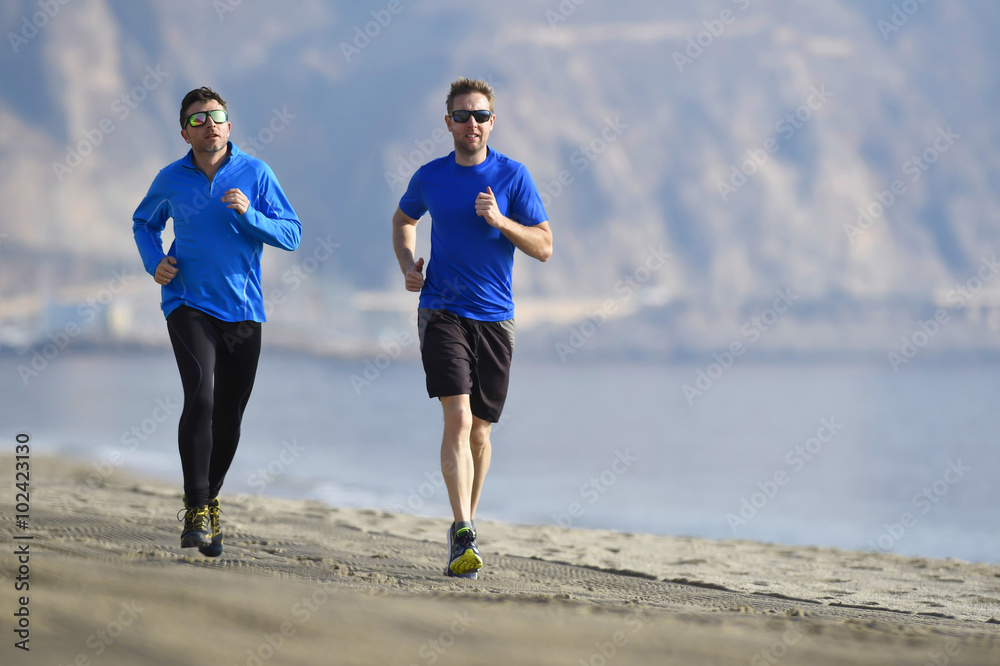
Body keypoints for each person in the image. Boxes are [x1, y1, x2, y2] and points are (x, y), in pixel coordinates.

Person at [392, 77, 553, 578]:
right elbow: (402, 219)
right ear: (448, 123)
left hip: (495, 318)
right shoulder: (431, 176)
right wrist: (407, 264)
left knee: (481, 432)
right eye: (462, 115)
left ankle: (467, 527)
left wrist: (502, 221)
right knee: (458, 419)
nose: (472, 123)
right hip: (441, 309)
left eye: (480, 115)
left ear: (492, 122)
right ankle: (462, 529)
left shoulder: (513, 176)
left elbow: (544, 246)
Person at [132, 87, 301, 557]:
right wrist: (154, 263)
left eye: (217, 116)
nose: (209, 124)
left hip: (244, 312)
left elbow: (292, 233)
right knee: (201, 393)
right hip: (187, 302)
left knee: (230, 415)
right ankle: (195, 508)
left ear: (229, 125)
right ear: (184, 130)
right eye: (198, 118)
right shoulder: (171, 179)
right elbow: (144, 223)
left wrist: (251, 217)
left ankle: (211, 500)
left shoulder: (256, 173)